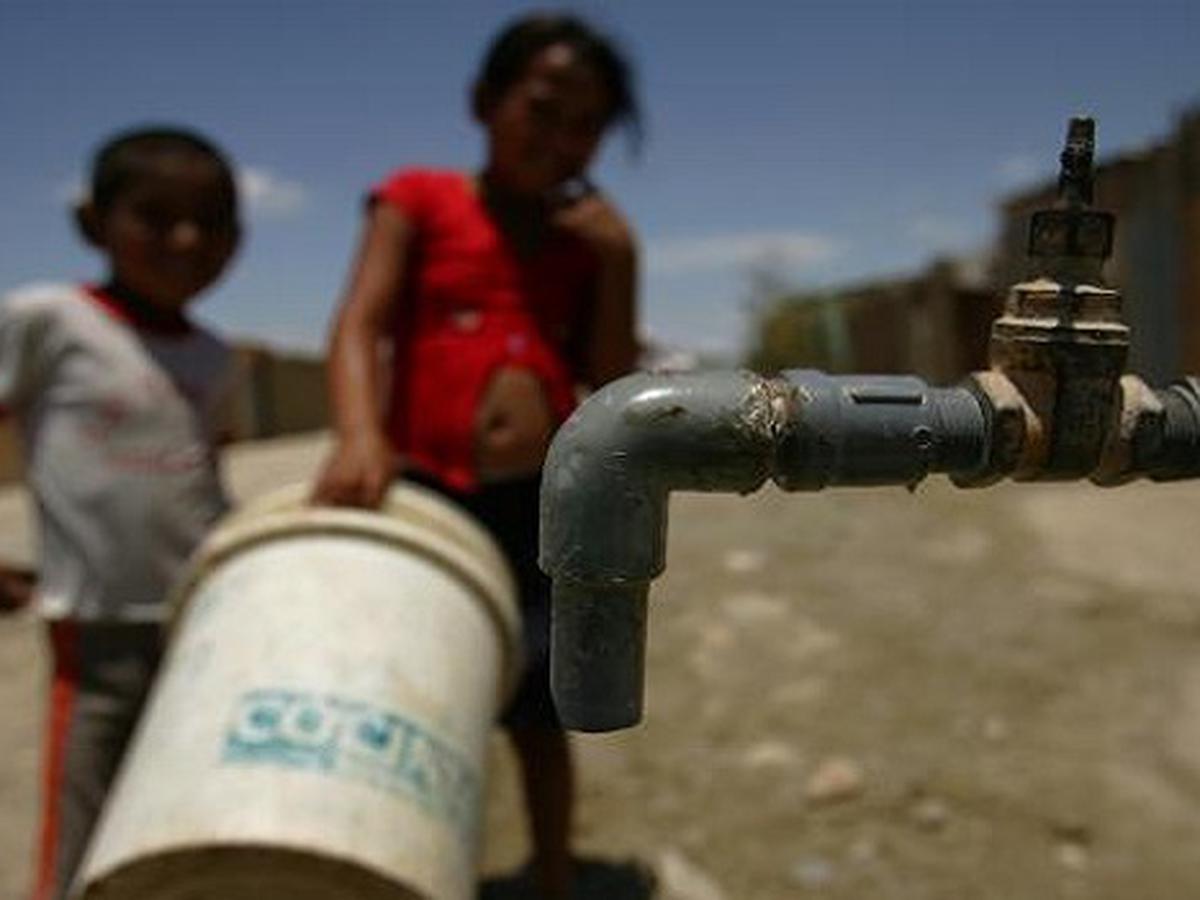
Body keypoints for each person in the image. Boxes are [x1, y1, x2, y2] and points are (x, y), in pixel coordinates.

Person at [312, 12, 641, 899]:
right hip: (428, 492)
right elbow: (362, 322)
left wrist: (622, 263)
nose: (560, 139)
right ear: (484, 103)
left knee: (540, 710)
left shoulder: (587, 243)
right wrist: (359, 435)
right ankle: (402, 867)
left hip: (540, 506)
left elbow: (610, 384)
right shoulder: (417, 199)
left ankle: (555, 878)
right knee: (419, 697)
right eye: (542, 109)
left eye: (585, 125)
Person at [0, 126, 241, 900]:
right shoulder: (49, 320)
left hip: (200, 629)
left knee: (179, 821)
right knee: (83, 827)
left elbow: (205, 477)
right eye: (157, 215)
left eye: (211, 221)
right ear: (92, 223)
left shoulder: (214, 355)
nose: (186, 239)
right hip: (95, 631)